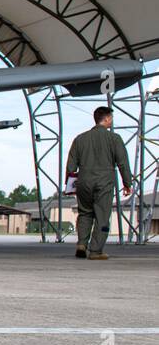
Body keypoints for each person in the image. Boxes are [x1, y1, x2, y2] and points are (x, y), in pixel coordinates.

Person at [66, 106, 134, 260]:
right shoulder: (114, 138)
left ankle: (81, 244)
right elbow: (123, 163)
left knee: (85, 213)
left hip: (83, 181)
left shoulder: (80, 139)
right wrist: (127, 183)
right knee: (102, 216)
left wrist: (70, 185)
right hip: (104, 182)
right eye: (111, 118)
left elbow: (71, 165)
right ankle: (96, 251)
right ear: (107, 119)